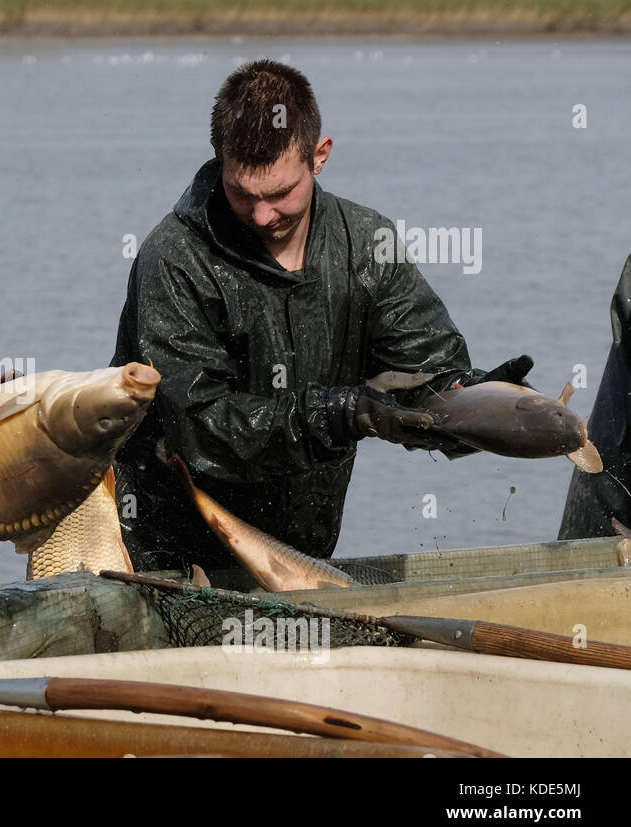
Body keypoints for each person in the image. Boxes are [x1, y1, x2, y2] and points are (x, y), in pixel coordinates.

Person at [110, 60, 530, 576]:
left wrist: (484, 405)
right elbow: (201, 429)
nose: (263, 215)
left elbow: (425, 380)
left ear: (320, 156)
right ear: (220, 160)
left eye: (280, 193)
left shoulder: (367, 245)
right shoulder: (175, 258)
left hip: (299, 561)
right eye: (244, 194)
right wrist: (338, 414)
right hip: (161, 558)